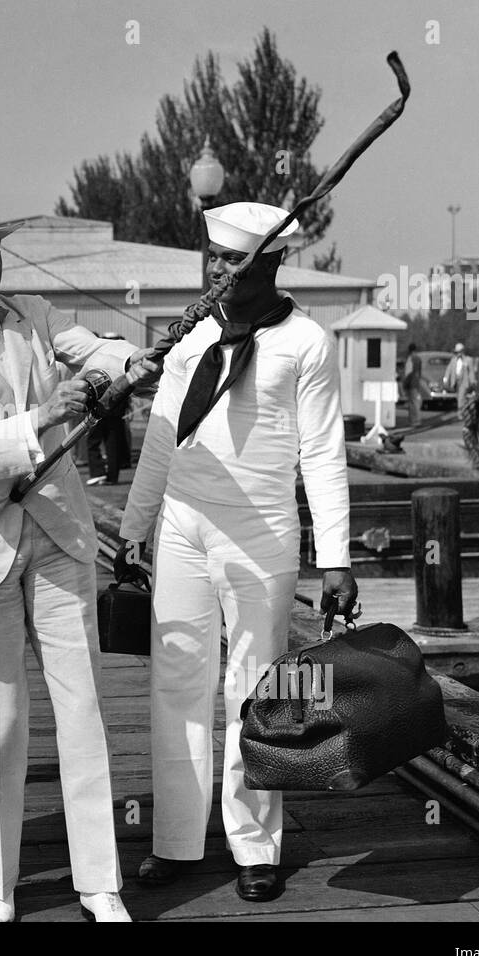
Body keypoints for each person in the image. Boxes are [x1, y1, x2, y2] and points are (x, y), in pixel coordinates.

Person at [0, 179, 160, 922]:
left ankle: (99, 882)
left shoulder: (37, 317)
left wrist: (134, 362)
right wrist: (42, 416)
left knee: (83, 709)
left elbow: (98, 351)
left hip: (60, 539)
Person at [115, 201, 358, 903]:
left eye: (234, 260)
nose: (219, 271)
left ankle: (256, 844)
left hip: (264, 536)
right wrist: (137, 524)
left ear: (271, 262)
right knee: (178, 682)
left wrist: (335, 556)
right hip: (185, 529)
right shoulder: (190, 336)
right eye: (213, 258)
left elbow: (322, 453)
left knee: (261, 690)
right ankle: (178, 840)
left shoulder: (306, 342)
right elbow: (161, 438)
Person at [85, 333, 132, 485]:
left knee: (94, 441)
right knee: (113, 443)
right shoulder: (126, 362)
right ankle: (112, 476)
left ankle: (98, 472)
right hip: (117, 410)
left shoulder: (98, 359)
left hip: (99, 408)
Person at [400, 342, 424, 427]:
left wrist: (405, 383)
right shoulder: (418, 359)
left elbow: (408, 372)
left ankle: (414, 421)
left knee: (412, 403)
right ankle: (417, 420)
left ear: (409, 350)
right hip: (417, 383)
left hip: (411, 383)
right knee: (416, 402)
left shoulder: (410, 359)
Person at [443, 342, 474, 409]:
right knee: (459, 397)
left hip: (464, 382)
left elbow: (471, 372)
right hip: (456, 381)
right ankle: (466, 410)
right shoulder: (453, 360)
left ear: (463, 351)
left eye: (459, 352)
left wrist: (472, 381)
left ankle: (460, 414)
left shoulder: (469, 360)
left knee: (461, 397)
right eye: (457, 352)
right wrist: (446, 379)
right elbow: (448, 370)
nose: (458, 354)